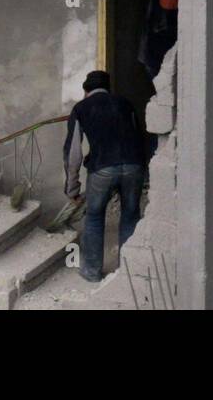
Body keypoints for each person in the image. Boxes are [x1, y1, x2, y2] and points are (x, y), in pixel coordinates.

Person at [63, 70, 147, 282]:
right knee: (130, 215)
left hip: (102, 168)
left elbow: (73, 154)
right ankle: (128, 272)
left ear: (85, 90)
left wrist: (72, 188)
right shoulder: (125, 104)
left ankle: (92, 272)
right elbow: (139, 137)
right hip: (133, 165)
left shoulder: (81, 108)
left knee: (94, 216)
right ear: (108, 88)